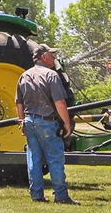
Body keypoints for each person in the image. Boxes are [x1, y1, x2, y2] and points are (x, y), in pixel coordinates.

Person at [15, 44, 77, 204]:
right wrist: (67, 123)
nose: (54, 58)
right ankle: (61, 196)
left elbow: (19, 104)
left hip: (29, 121)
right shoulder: (51, 75)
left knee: (34, 159)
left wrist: (22, 122)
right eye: (51, 55)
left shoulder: (24, 76)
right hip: (47, 122)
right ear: (43, 57)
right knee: (55, 159)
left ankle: (36, 195)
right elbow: (60, 103)